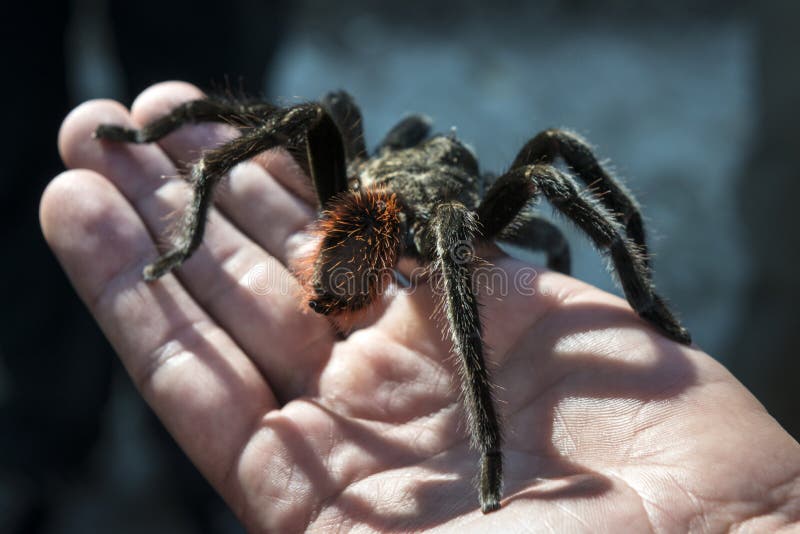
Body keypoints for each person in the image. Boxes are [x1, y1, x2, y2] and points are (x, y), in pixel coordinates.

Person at [41, 81, 800, 532]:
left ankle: (171, 173)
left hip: (362, 212)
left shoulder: (368, 172)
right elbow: (536, 223)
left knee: (312, 116)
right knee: (550, 156)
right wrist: (637, 294)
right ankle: (499, 442)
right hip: (373, 237)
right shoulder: (459, 215)